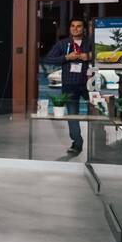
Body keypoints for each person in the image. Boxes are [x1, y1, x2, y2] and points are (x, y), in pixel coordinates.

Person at [46, 18, 92, 155]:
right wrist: (67, 58)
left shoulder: (90, 43)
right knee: (72, 115)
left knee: (96, 112)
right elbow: (49, 59)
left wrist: (89, 55)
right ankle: (77, 143)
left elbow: (102, 56)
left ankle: (98, 142)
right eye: (73, 26)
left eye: (79, 26)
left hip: (89, 83)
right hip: (70, 84)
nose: (75, 28)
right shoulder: (63, 43)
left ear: (83, 29)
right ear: (70, 28)